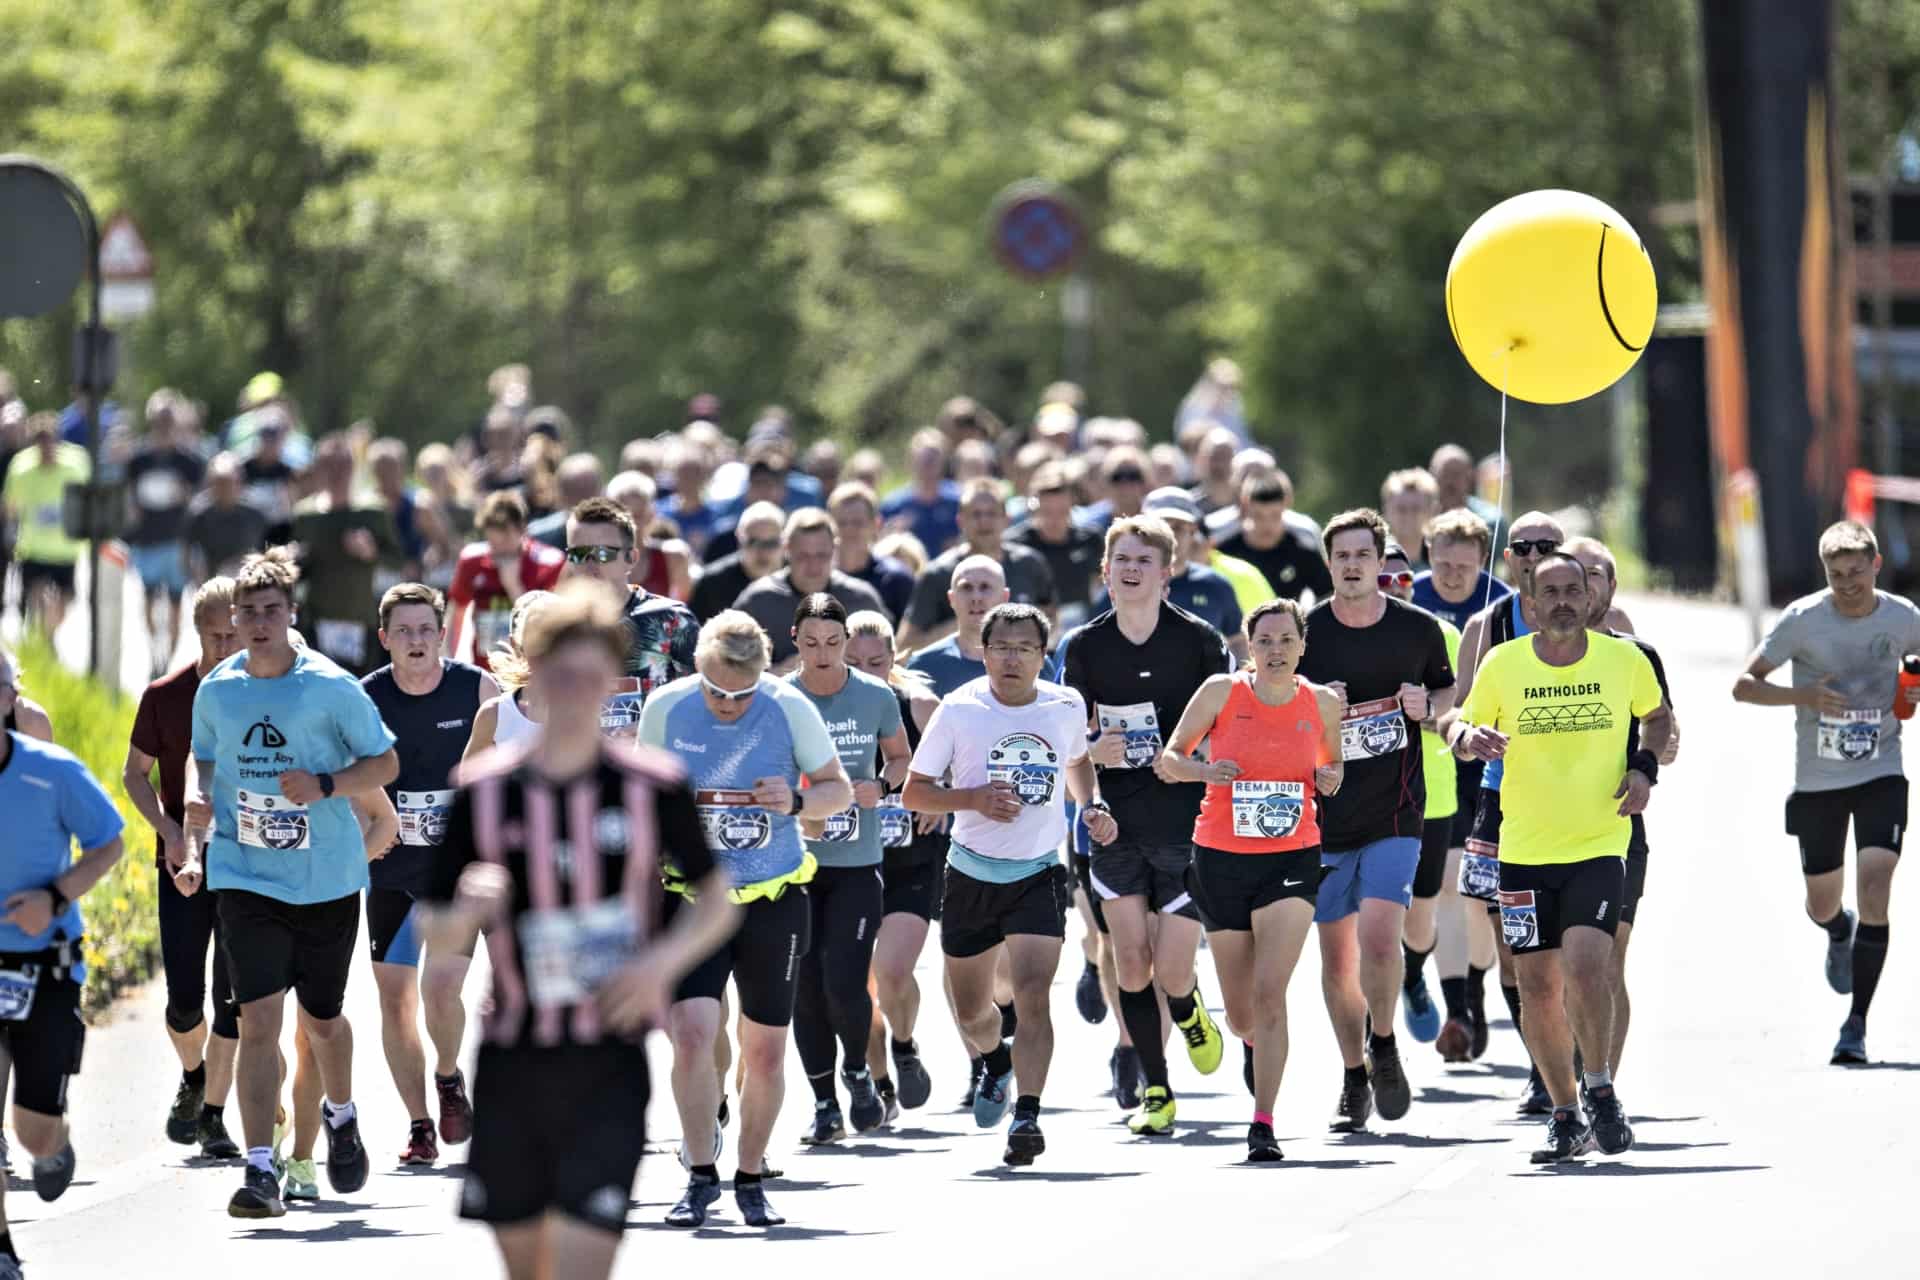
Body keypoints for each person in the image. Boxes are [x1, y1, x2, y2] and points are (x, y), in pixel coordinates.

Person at [418, 583, 736, 1280]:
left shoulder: (653, 786)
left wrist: (659, 967)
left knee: (582, 1265)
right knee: (528, 1266)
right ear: (533, 672)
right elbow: (433, 926)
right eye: (560, 675)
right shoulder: (483, 790)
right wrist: (466, 909)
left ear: (611, 680)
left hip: (608, 1060)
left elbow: (717, 901)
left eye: (591, 678)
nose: (575, 694)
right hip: (513, 1060)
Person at [189, 548, 400, 1217]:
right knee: (257, 1022)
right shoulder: (217, 690)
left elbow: (386, 764)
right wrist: (199, 797)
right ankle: (258, 1169)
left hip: (325, 880)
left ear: (291, 614)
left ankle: (341, 1113)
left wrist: (326, 785)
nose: (258, 623)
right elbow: (204, 757)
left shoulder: (332, 686)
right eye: (247, 612)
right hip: (245, 876)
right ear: (234, 618)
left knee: (323, 1022)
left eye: (270, 611)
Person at [1452, 552, 1668, 1162]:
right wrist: (1467, 737)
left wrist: (1643, 767)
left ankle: (1599, 1086)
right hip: (1522, 850)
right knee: (1536, 986)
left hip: (1598, 843)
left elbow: (1657, 717)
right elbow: (1460, 724)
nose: (1566, 601)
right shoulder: (1503, 663)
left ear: (1591, 597)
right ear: (1530, 603)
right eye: (1552, 593)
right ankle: (1565, 1112)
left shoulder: (1625, 660)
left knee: (1588, 967)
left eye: (1575, 590)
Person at [638, 611, 851, 1229]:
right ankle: (700, 1175)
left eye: (742, 693)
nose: (728, 705)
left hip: (772, 897)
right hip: (692, 898)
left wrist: (799, 800)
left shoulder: (788, 706)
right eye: (716, 692)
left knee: (764, 1053)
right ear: (696, 668)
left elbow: (839, 788)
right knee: (691, 1035)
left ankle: (751, 1176)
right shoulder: (667, 708)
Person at [903, 603, 1116, 1166]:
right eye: (1000, 647)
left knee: (1032, 994)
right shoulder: (959, 709)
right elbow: (915, 792)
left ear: (1044, 656)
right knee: (974, 1014)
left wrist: (1091, 804)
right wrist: (971, 799)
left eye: (1024, 649)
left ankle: (1027, 1115)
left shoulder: (1064, 705)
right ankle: (995, 1061)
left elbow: (1078, 761)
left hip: (1038, 872)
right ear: (983, 652)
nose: (1011, 659)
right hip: (970, 873)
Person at [1059, 516, 1232, 1137]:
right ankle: (1156, 1089)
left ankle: (1189, 1010)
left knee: (1173, 971)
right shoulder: (1084, 646)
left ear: (1168, 572)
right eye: (1121, 559)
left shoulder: (1201, 642)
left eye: (1143, 559)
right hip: (1115, 826)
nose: (1131, 569)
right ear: (1105, 572)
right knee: (1130, 962)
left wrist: (1192, 761)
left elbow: (1228, 728)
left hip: (1188, 825)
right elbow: (1069, 743)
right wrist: (1090, 775)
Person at [1160, 598, 1343, 1160]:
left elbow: (1333, 766)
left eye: (1286, 640)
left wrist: (1330, 777)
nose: (1275, 651)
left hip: (1292, 859)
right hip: (1221, 858)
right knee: (1242, 1012)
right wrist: (1205, 771)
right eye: (1264, 641)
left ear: (1303, 647)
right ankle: (1245, 1038)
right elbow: (1170, 758)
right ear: (1249, 646)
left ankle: (1263, 1122)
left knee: (1270, 993)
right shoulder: (1222, 692)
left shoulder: (1322, 702)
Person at [1732, 519, 1919, 1065]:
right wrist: (1805, 696)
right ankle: (1838, 929)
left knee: (1876, 883)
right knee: (1821, 902)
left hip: (1882, 770)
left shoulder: (1902, 616)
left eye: (1856, 572)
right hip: (1819, 781)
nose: (1847, 584)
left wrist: (1912, 688)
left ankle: (1855, 1024)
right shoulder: (1803, 619)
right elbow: (1744, 686)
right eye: (1836, 575)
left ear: (1876, 565)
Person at [1295, 509, 1454, 1132]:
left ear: (1382, 561)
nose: (1353, 565)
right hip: (1323, 817)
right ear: (1328, 563)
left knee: (1382, 941)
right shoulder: (1304, 633)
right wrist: (1315, 707)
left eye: (1364, 554)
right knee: (1338, 962)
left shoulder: (1417, 628)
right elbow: (1274, 702)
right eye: (1342, 556)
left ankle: (1383, 1043)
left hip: (1396, 810)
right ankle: (1352, 1075)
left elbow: (1448, 694)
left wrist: (1427, 706)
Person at [360, 584, 497, 1165]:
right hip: (391, 868)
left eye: (425, 630)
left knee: (440, 990)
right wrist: (368, 824)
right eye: (403, 631)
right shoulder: (365, 698)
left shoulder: (477, 690)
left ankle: (447, 1075)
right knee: (395, 1002)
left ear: (442, 635)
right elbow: (346, 773)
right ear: (384, 638)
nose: (415, 641)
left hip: (453, 873)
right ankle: (419, 1124)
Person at [0, 684, 127, 1275]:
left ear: (7, 698)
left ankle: (53, 1141)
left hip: (44, 966)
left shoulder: (51, 771)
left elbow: (110, 843)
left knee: (34, 1133)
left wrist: (53, 898)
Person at [123, 579, 245, 1159]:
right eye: (215, 636)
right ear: (196, 633)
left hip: (245, 867)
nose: (225, 647)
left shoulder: (258, 695)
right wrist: (168, 830)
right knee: (184, 1001)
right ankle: (194, 1076)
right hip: (181, 862)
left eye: (233, 636)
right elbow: (134, 774)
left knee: (232, 998)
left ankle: (214, 1117)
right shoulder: (165, 696)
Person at [785, 595, 910, 1142]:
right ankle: (823, 1104)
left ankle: (857, 1072)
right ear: (794, 640)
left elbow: (901, 758)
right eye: (812, 643)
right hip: (794, 863)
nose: (823, 654)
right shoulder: (780, 698)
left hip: (857, 860)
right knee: (805, 988)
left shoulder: (875, 695)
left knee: (844, 979)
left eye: (833, 643)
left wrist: (880, 785)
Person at [1566, 536, 1679, 1080]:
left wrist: (1649, 760)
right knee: (1553, 968)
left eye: (1596, 575)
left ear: (1611, 588)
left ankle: (1600, 1085)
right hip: (1539, 830)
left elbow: (1664, 727)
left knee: (1608, 960)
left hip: (1618, 828)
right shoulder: (1522, 656)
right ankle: (1557, 1071)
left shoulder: (1637, 656)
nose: (1585, 585)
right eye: (1575, 574)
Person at [845, 612, 942, 1117]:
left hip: (911, 861)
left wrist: (937, 797)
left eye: (876, 662)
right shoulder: (820, 707)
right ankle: (878, 1080)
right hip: (847, 862)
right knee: (857, 986)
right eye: (853, 663)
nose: (865, 672)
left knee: (893, 971)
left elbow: (963, 765)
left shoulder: (921, 706)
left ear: (893, 659)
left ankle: (904, 1046)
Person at [1376, 545, 1456, 1049]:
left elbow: (1461, 702)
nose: (1393, 588)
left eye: (1402, 580)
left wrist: (1429, 710)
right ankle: (1373, 1029)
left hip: (1432, 794)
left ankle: (1412, 976)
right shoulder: (1334, 634)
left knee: (1420, 918)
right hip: (1364, 798)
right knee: (1370, 922)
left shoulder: (1438, 632)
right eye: (1382, 580)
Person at [561, 497, 701, 737]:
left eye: (603, 553)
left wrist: (648, 729)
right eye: (579, 554)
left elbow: (701, 703)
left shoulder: (670, 619)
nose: (590, 564)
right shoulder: (556, 627)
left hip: (655, 754)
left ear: (632, 559)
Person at [898, 479, 1057, 652]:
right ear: (960, 521)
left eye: (991, 513)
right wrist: (967, 623)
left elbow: (1052, 621)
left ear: (1007, 519)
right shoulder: (938, 574)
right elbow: (906, 646)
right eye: (976, 514)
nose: (984, 521)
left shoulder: (1030, 564)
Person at [290, 434, 403, 675]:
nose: (337, 472)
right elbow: (298, 572)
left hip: (360, 620)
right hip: (318, 620)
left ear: (353, 467)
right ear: (318, 469)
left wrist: (371, 552)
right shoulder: (306, 515)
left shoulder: (372, 511)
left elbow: (397, 561)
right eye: (329, 465)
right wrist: (293, 559)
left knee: (360, 685)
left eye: (343, 465)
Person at [1089, 488, 1248, 660]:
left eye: (1178, 527)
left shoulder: (1215, 585)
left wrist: (1239, 672)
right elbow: (1095, 644)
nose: (1170, 536)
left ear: (1193, 531)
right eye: (1162, 527)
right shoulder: (1120, 587)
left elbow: (1237, 640)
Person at [731, 508, 888, 669]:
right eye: (803, 556)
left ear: (834, 549)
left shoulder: (861, 600)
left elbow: (887, 663)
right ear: (786, 549)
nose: (813, 566)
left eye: (821, 555)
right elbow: (731, 667)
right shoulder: (757, 602)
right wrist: (776, 674)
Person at [125, 392, 208, 672]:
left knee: (175, 603)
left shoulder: (190, 461)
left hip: (177, 542)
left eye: (168, 421)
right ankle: (153, 653)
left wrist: (185, 495)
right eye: (159, 421)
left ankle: (167, 662)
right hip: (147, 540)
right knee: (148, 599)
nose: (163, 427)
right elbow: (129, 495)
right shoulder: (138, 459)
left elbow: (200, 499)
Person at [447, 491, 567, 672]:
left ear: (522, 530)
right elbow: (457, 610)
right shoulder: (472, 560)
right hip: (485, 669)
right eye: (493, 542)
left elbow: (550, 625)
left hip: (531, 670)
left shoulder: (549, 563)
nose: (499, 550)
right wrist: (451, 661)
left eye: (505, 539)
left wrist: (514, 586)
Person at [3, 415, 90, 634]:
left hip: (65, 548)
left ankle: (48, 635)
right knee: (37, 597)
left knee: (63, 603)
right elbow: (10, 505)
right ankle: (40, 636)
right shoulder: (22, 467)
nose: (46, 449)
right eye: (41, 444)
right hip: (34, 548)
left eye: (50, 442)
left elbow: (89, 498)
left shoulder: (75, 463)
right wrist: (10, 533)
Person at [1006, 464, 1105, 635]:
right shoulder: (1015, 544)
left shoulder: (1090, 540)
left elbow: (1102, 584)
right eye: (1047, 512)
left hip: (1083, 629)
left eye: (1062, 511)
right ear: (1033, 507)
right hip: (1029, 631)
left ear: (1072, 505)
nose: (1055, 520)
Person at [464, 592, 557, 758]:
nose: (545, 646)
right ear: (517, 645)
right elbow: (468, 774)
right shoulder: (493, 714)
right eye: (535, 637)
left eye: (555, 636)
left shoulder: (595, 710)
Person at [1216, 475, 1333, 604]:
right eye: (1258, 516)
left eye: (1275, 515)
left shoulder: (1300, 550)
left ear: (1286, 505)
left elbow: (1327, 594)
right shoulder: (1225, 551)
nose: (1267, 524)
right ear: (1245, 507)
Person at [905, 555, 1005, 697]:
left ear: (1005, 597)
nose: (976, 597)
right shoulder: (923, 666)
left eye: (985, 587)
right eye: (966, 587)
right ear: (951, 599)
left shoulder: (1029, 662)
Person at [829, 483, 918, 623]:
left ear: (876, 524)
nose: (849, 529)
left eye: (857, 523)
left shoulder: (897, 579)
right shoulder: (817, 579)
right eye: (841, 523)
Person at [690, 501, 786, 623]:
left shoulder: (800, 579)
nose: (763, 551)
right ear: (738, 539)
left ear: (785, 542)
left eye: (771, 543)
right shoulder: (712, 584)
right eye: (753, 542)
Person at [186, 454, 272, 583]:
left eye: (228, 483)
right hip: (212, 582)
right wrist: (197, 579)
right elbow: (187, 550)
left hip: (248, 581)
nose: (224, 489)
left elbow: (268, 547)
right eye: (218, 483)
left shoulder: (256, 513)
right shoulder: (199, 513)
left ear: (239, 483)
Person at [880, 428, 962, 555]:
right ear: (911, 461)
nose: (928, 465)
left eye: (933, 459)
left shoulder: (958, 501)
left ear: (944, 461)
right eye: (924, 460)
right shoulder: (893, 505)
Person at [1380, 469, 1439, 572]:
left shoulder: (1443, 562)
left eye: (1416, 509)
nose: (1409, 516)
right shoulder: (1372, 561)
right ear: (1386, 512)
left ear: (1432, 512)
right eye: (1401, 509)